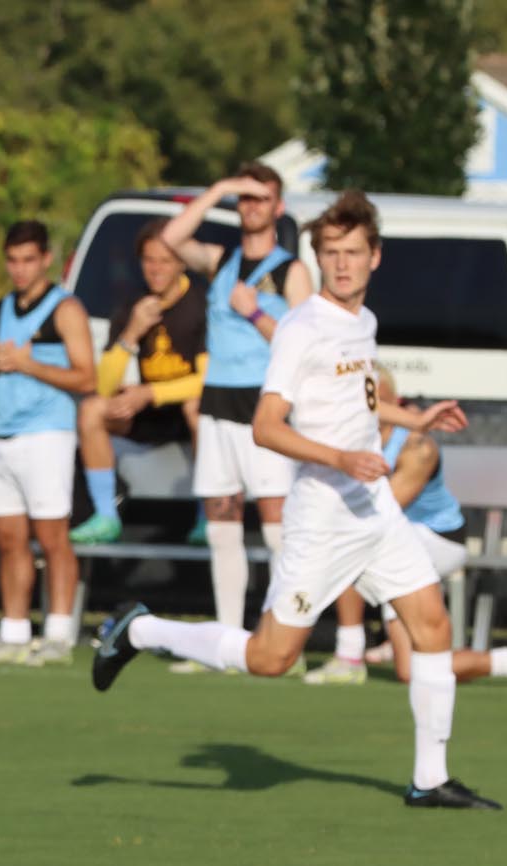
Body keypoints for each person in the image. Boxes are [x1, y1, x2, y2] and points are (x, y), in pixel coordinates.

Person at [95, 190, 502, 811]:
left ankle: (430, 778)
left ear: (375, 258)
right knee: (270, 658)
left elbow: (357, 400)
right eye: (331, 253)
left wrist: (411, 414)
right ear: (318, 259)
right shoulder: (301, 327)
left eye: (353, 252)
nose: (342, 265)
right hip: (322, 515)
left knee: (432, 626)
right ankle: (141, 629)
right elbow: (266, 426)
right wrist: (340, 458)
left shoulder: (361, 323)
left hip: (373, 509)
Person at [302, 369, 507, 688]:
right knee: (409, 671)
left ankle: (349, 657)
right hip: (397, 540)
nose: (365, 407)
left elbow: (376, 514)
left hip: (438, 541)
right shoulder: (352, 439)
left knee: (355, 544)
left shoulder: (417, 446)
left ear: (394, 402)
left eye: (375, 400)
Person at [159, 164, 314, 666]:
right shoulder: (221, 259)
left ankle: (280, 638)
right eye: (245, 199)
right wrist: (221, 189)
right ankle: (225, 643)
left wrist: (253, 312)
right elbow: (172, 236)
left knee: (276, 528)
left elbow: (306, 347)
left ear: (278, 207)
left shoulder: (292, 269)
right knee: (222, 526)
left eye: (261, 198)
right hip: (218, 404)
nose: (251, 207)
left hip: (263, 407)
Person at [0, 220, 96, 667]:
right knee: (8, 539)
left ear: (46, 260)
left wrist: (27, 364)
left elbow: (87, 376)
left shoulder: (66, 309)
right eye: (12, 260)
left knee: (52, 538)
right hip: (2, 435)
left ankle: (59, 633)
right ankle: (14, 632)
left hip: (47, 435)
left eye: (28, 260)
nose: (19, 270)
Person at [68, 220, 206, 544]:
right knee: (92, 410)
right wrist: (131, 333)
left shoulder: (201, 305)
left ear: (182, 263)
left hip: (187, 415)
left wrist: (150, 393)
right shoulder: (134, 306)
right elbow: (102, 386)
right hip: (151, 415)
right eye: (149, 260)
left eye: (164, 261)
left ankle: (208, 516)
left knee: (196, 408)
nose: (155, 269)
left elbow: (206, 381)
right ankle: (105, 515)